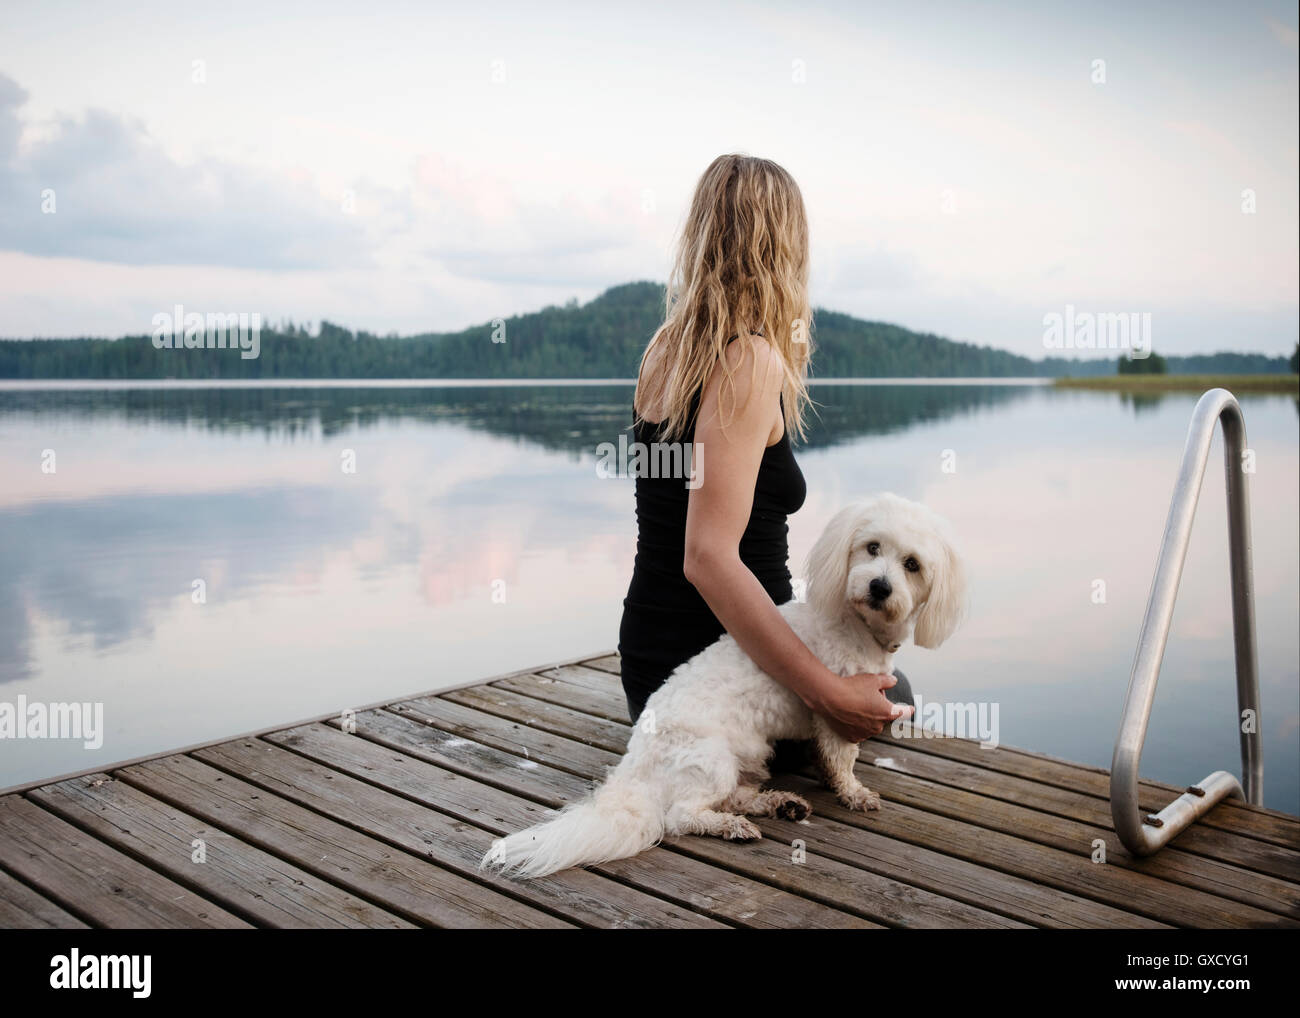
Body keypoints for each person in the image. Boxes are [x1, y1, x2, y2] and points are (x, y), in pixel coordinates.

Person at [617, 153, 914, 758]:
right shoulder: (747, 361)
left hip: (651, 666)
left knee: (877, 679)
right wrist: (826, 690)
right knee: (893, 691)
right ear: (783, 248)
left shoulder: (664, 350)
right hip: (718, 682)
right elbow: (706, 558)